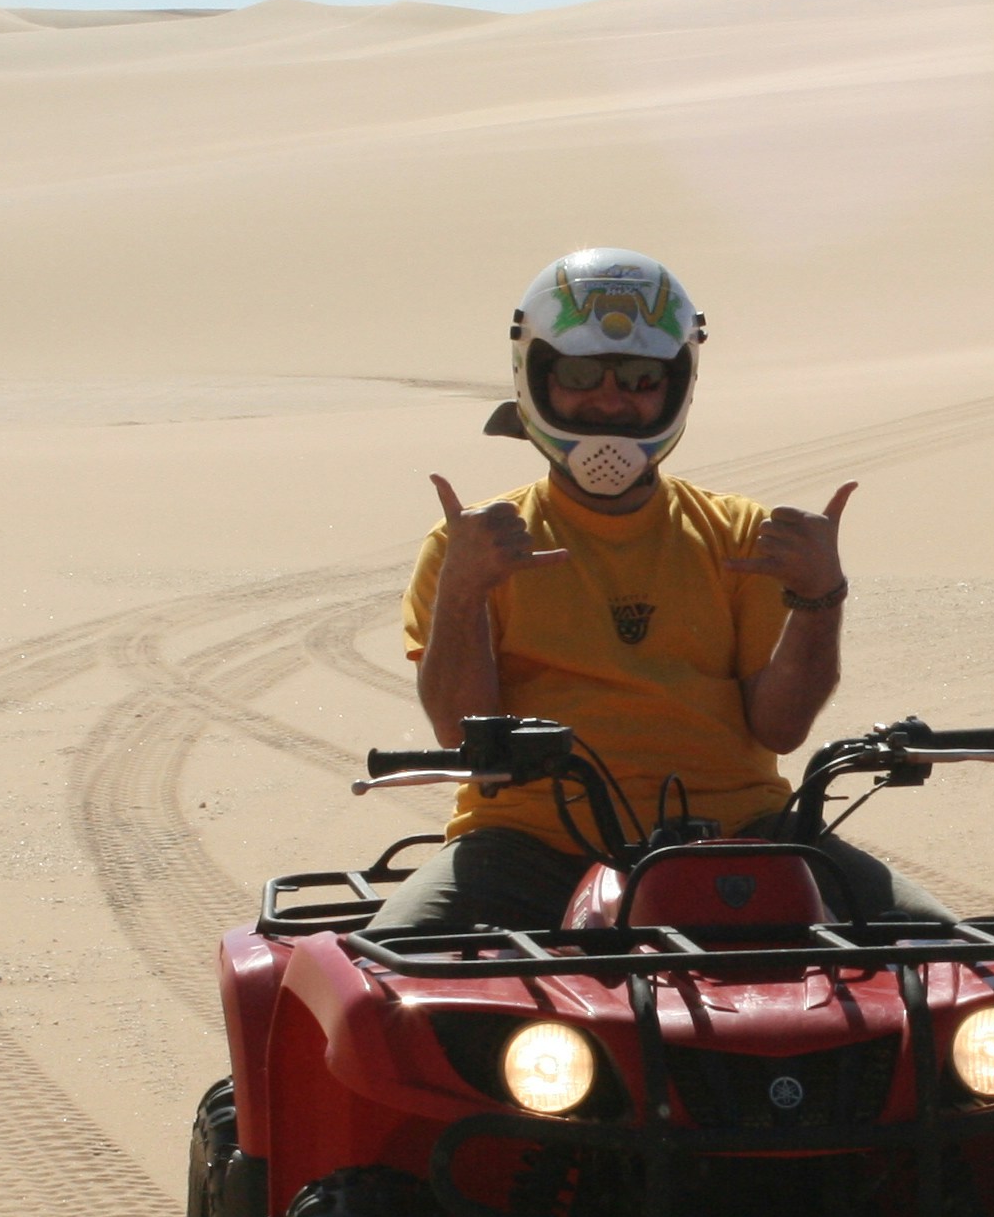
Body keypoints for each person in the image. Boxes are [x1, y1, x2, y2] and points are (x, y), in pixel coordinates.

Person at [367, 248, 951, 935]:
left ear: (676, 384)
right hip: (527, 844)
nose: (611, 397)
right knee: (387, 975)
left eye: (642, 376)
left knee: (950, 954)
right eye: (582, 373)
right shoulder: (473, 545)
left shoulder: (738, 532)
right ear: (537, 379)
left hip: (748, 834)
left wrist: (822, 599)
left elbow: (780, 728)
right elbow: (458, 730)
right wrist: (464, 591)